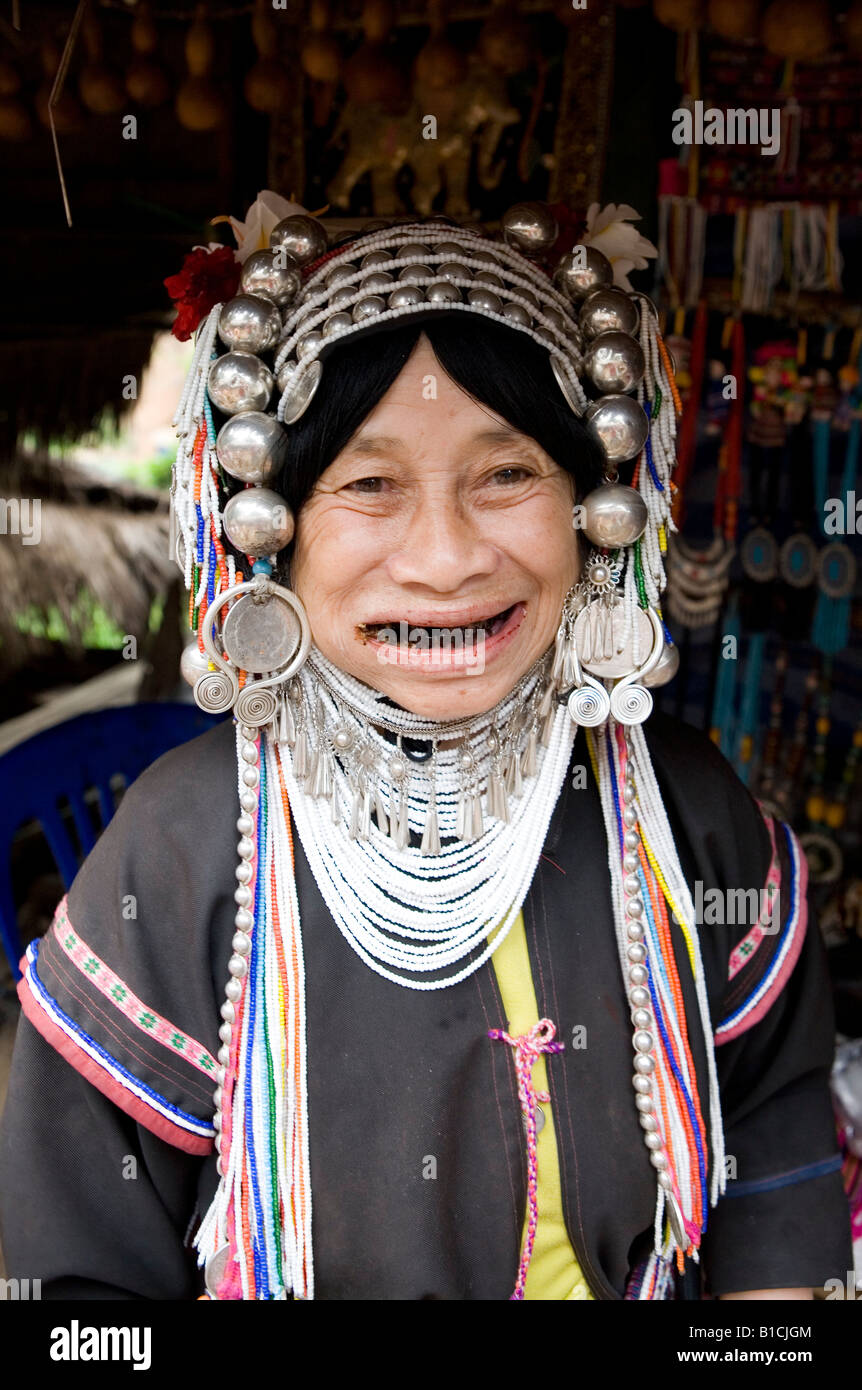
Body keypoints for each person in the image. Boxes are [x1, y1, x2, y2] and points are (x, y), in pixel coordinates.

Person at [0, 204, 852, 1301]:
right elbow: (83, 1283)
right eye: (368, 484)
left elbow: (773, 1131)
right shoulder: (189, 846)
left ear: (595, 508)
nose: (447, 559)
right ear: (270, 525)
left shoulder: (676, 809)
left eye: (506, 476)